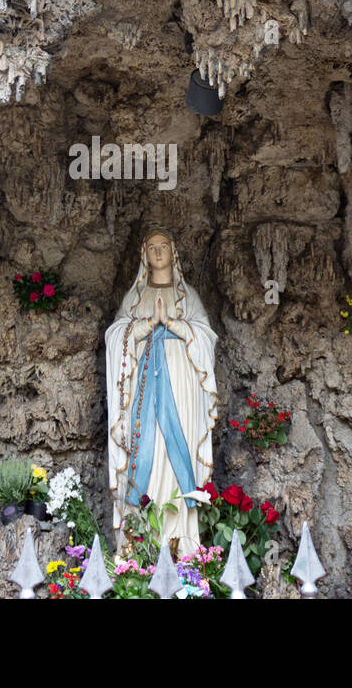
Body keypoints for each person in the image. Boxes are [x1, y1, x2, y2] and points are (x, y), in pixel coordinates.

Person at [104, 226, 217, 557]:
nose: (156, 253)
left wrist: (173, 324)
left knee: (176, 448)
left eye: (162, 246)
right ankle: (141, 544)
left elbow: (206, 338)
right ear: (144, 254)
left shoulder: (188, 296)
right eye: (150, 247)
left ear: (173, 252)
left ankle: (184, 540)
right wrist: (149, 324)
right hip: (144, 390)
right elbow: (115, 336)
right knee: (147, 450)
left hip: (181, 390)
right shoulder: (135, 297)